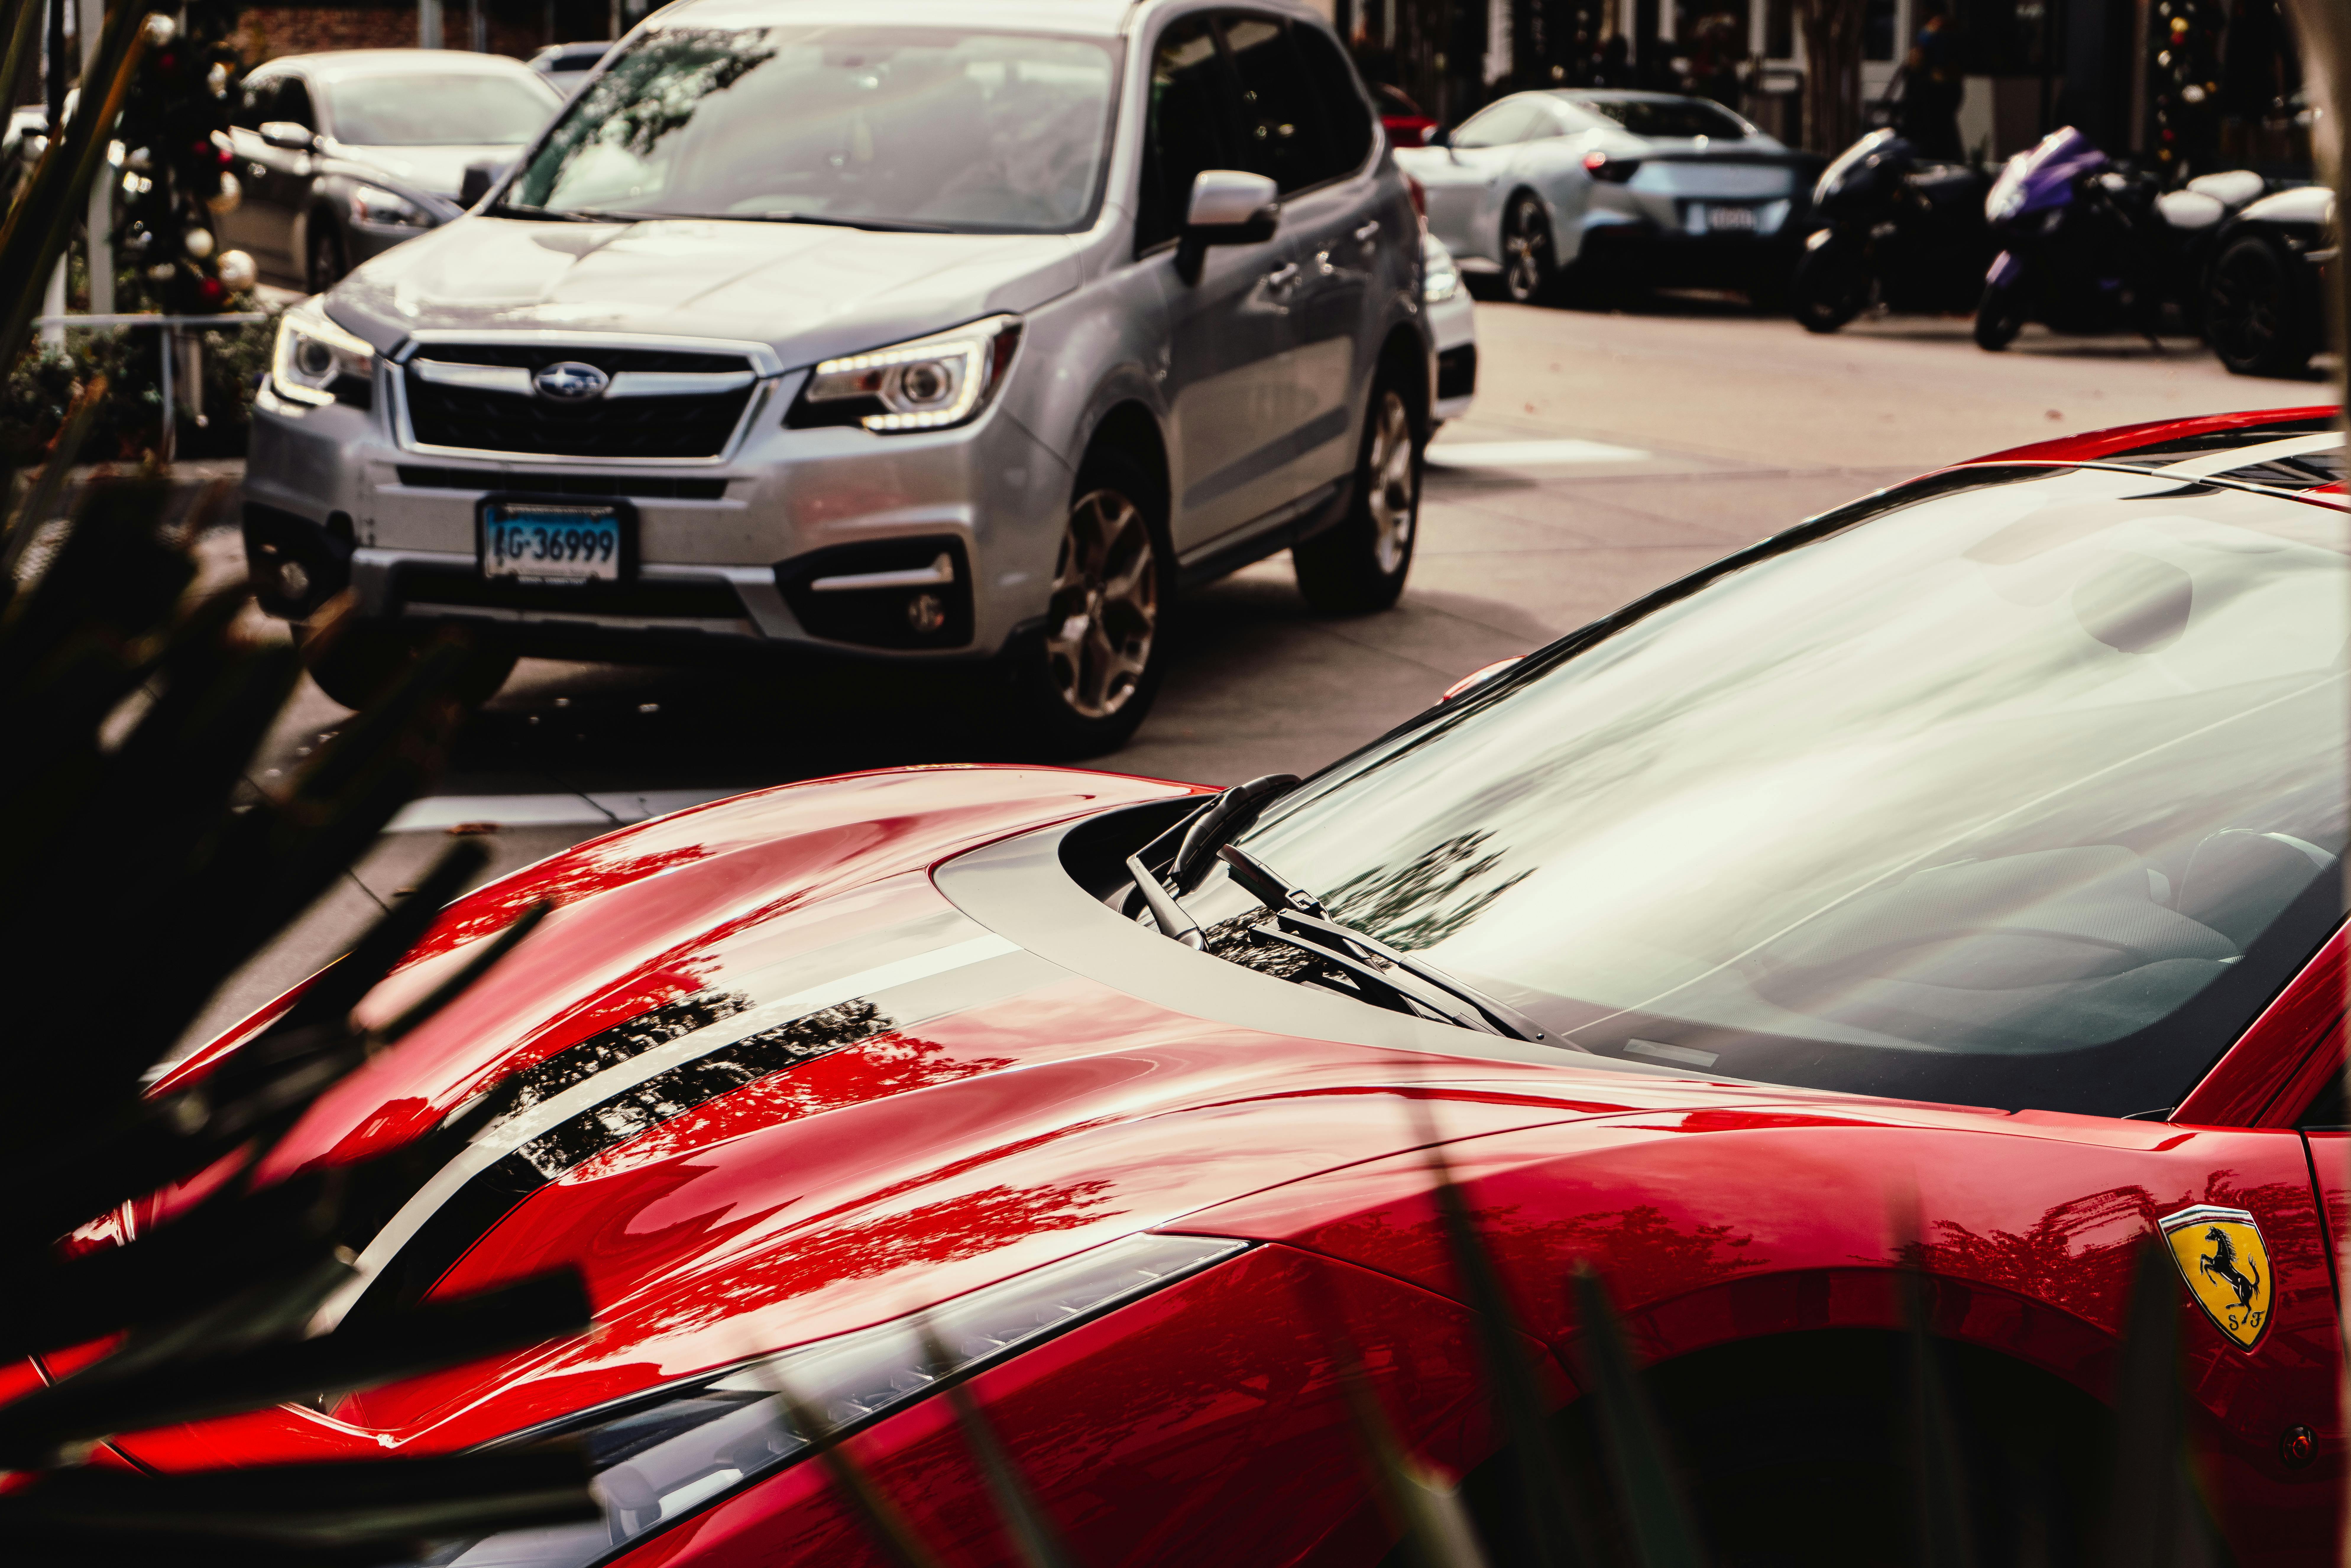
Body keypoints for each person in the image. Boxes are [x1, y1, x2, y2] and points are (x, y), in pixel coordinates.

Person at [1896, 1, 1965, 161]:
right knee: (1946, 128)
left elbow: (1919, 59)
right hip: (1953, 89)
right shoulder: (1954, 28)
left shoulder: (1933, 30)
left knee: (1933, 131)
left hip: (1935, 90)